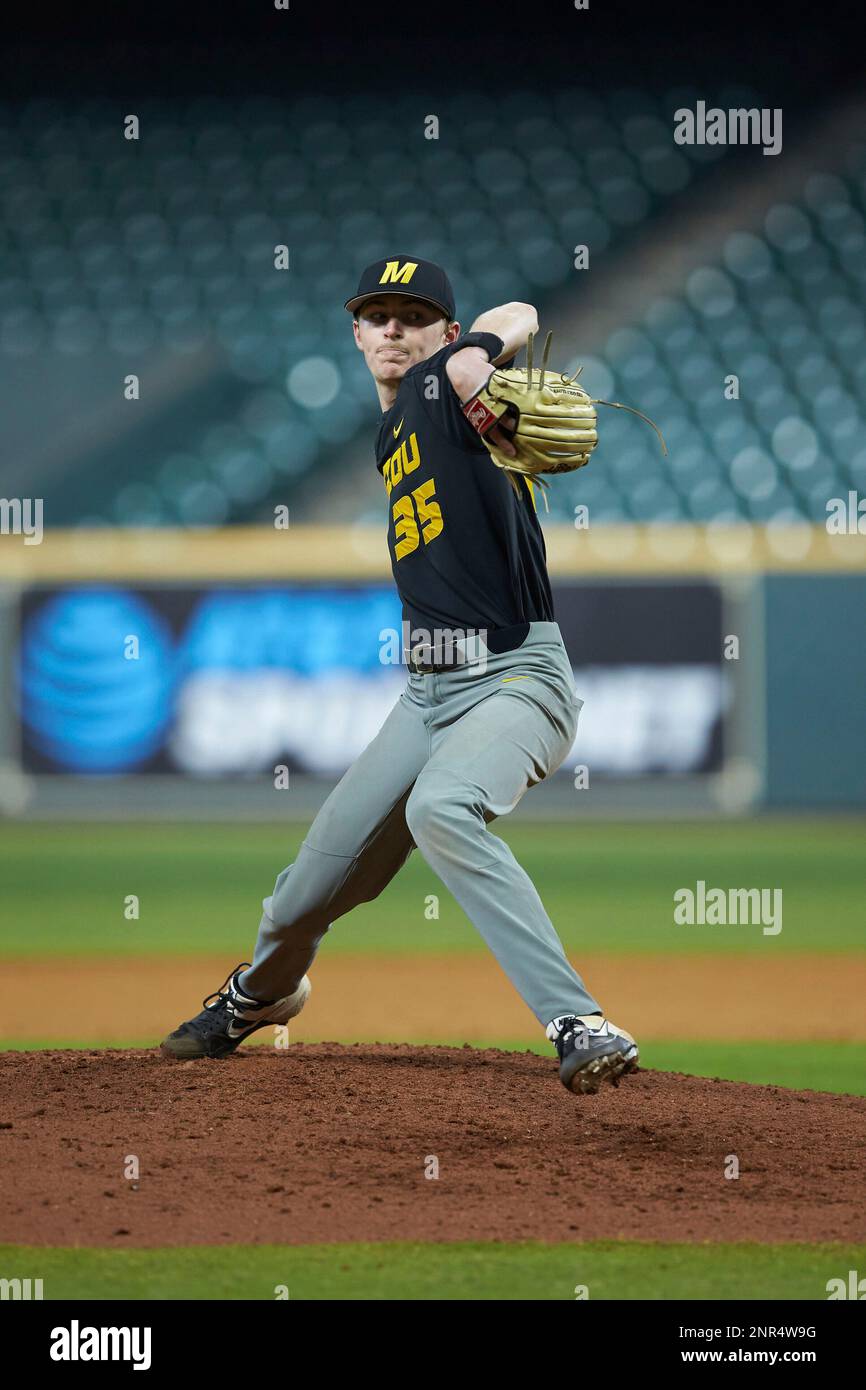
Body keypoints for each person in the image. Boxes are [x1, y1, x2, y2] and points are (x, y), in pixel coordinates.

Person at [161, 255, 639, 1095]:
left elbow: (522, 305)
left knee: (443, 808)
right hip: (426, 696)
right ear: (355, 334)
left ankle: (579, 1021)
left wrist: (473, 356)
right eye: (376, 316)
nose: (392, 329)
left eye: (413, 316)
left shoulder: (449, 390)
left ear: (444, 331)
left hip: (517, 678)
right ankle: (260, 996)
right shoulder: (393, 432)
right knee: (300, 897)